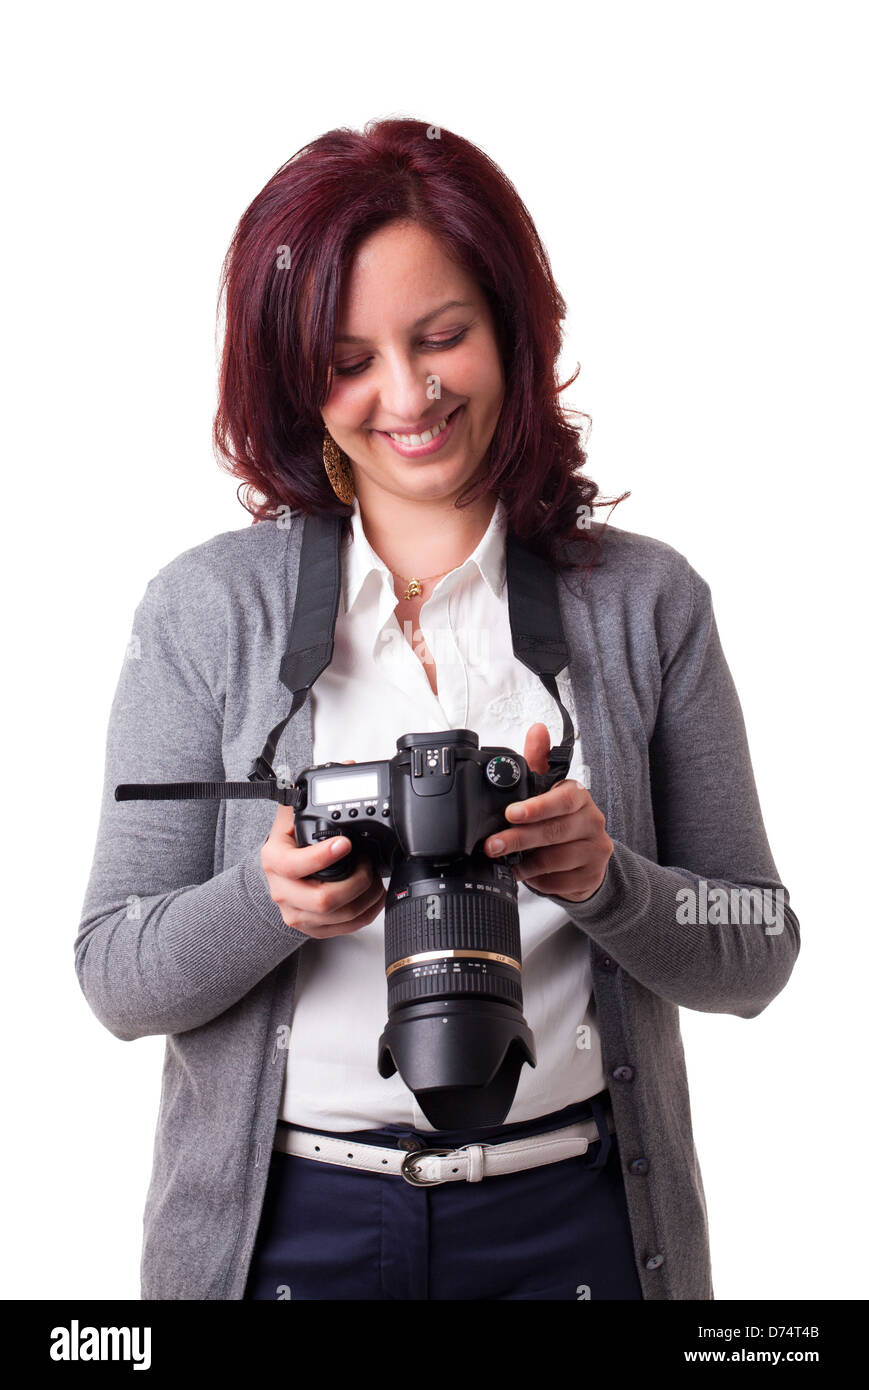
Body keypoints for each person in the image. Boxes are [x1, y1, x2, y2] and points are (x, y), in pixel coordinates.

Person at [76, 117, 800, 1302]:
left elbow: (755, 946)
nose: (404, 394)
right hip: (283, 1235)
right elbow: (113, 973)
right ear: (291, 376)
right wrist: (270, 902)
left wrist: (602, 878)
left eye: (441, 336)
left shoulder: (642, 601)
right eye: (347, 358)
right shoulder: (206, 610)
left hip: (574, 1223)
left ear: (513, 333)